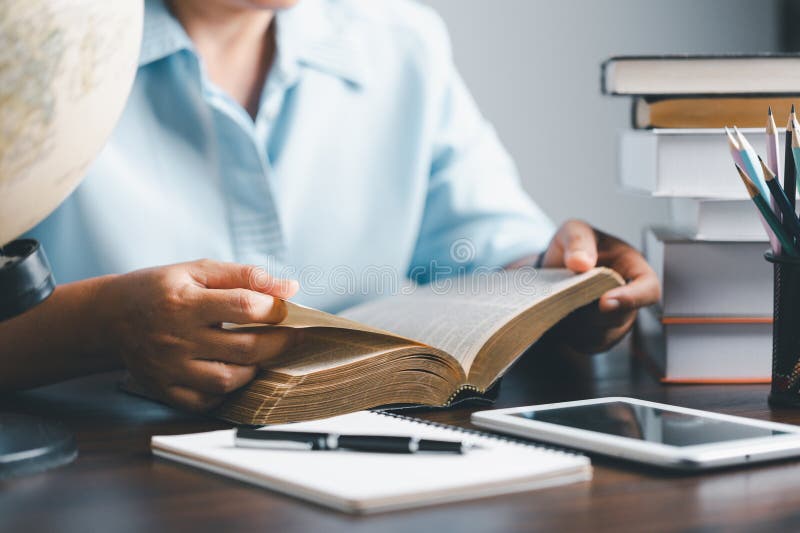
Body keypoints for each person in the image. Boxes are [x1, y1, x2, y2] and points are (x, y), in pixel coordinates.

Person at [0, 0, 659, 411]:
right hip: (86, 479)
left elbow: (486, 246)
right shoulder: (28, 46)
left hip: (353, 466)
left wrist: (567, 278)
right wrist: (102, 328)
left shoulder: (399, 44)